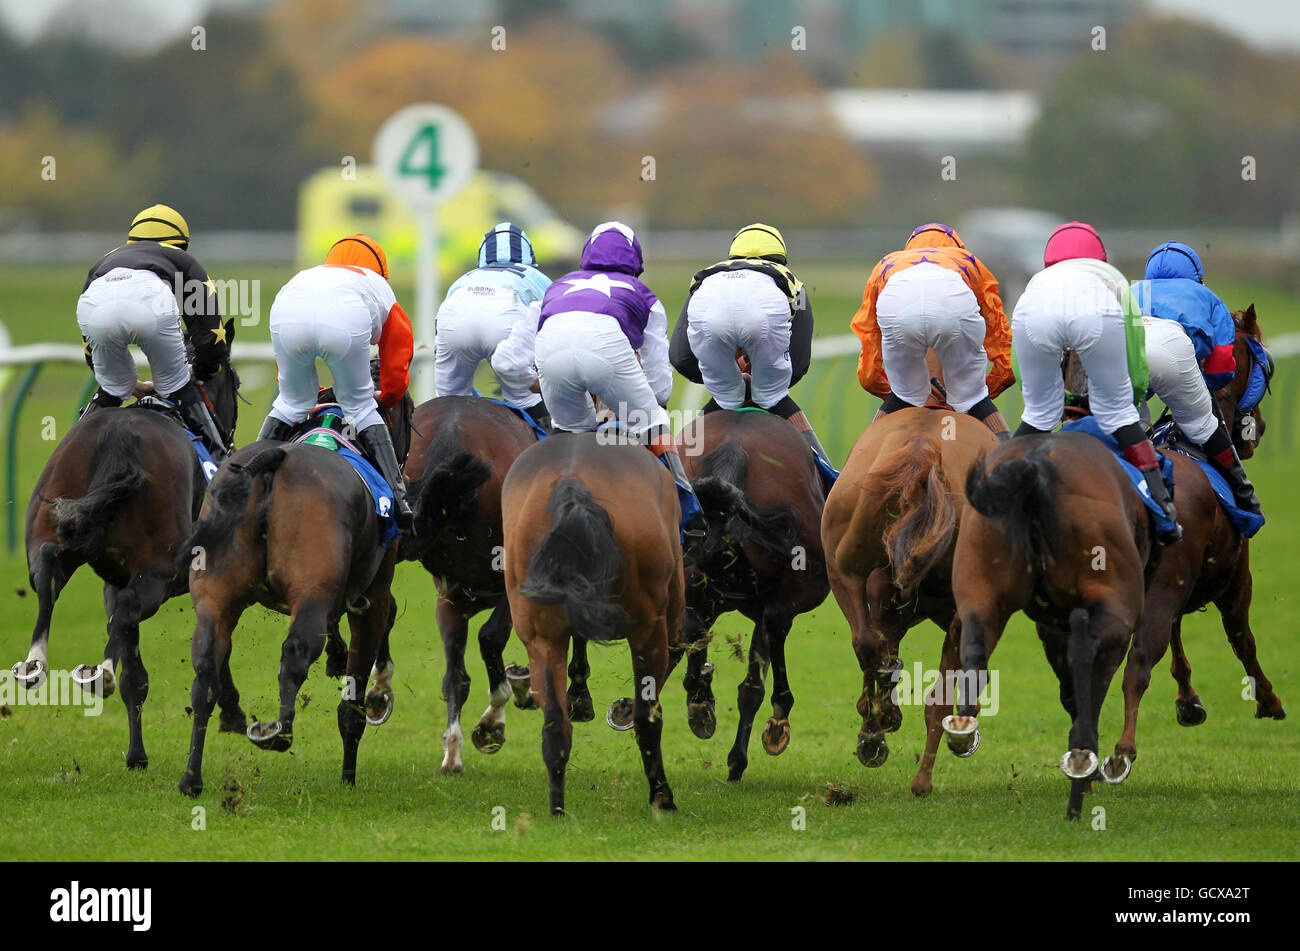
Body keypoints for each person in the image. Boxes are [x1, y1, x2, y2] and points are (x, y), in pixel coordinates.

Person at [1012, 221, 1181, 543]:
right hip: (1096, 313)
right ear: (1099, 258)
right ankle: (1163, 506)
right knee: (1118, 414)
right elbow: (1135, 355)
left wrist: (1049, 404)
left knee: (1037, 417)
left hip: (1032, 312)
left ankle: (995, 482)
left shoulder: (1039, 280)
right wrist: (1128, 401)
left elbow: (1019, 365)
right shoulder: (1112, 279)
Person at [524, 221, 695, 505]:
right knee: (652, 420)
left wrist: (531, 381)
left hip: (550, 352)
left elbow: (527, 348)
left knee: (569, 434)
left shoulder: (557, 285)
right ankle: (688, 506)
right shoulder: (643, 293)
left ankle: (538, 500)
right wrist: (653, 404)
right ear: (634, 260)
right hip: (604, 349)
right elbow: (658, 375)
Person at [256, 234, 415, 533]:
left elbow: (287, 372)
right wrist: (389, 397)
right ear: (379, 269)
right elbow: (397, 364)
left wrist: (308, 397)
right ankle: (400, 499)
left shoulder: (309, 275)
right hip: (344, 317)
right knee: (360, 406)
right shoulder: (378, 285)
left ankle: (242, 477)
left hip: (287, 308)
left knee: (289, 404)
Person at [672, 223, 835, 470]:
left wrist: (730, 383)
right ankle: (828, 478)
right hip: (763, 317)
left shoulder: (705, 278)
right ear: (780, 258)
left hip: (708, 308)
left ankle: (673, 473)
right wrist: (762, 386)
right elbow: (799, 363)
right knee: (773, 395)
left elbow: (681, 357)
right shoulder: (793, 284)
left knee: (724, 397)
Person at [76, 203, 231, 462]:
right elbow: (210, 336)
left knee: (112, 388)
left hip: (94, 304)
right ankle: (221, 463)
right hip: (150, 302)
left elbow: (92, 351)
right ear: (181, 242)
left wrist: (124, 384)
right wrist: (202, 371)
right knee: (175, 385)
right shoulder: (183, 260)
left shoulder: (104, 261)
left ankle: (70, 455)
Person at [851, 222, 1015, 438]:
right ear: (957, 247)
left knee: (904, 394)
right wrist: (976, 395)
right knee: (973, 397)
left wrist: (898, 395)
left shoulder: (888, 262)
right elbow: (999, 333)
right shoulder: (967, 260)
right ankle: (1012, 468)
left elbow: (868, 342)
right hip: (952, 301)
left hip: (898, 300)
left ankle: (857, 466)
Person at [1134, 241, 1261, 516]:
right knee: (1202, 425)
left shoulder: (1133, 290)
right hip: (1173, 351)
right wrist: (1200, 389)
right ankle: (1245, 494)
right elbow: (1220, 369)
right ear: (1196, 277)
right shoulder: (1208, 297)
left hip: (1125, 354)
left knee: (1126, 425)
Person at [435, 222, 554, 429]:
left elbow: (439, 346)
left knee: (448, 402)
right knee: (525, 400)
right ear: (528, 256)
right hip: (506, 316)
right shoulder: (538, 278)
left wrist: (477, 400)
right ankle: (553, 450)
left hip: (455, 315)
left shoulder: (463, 279)